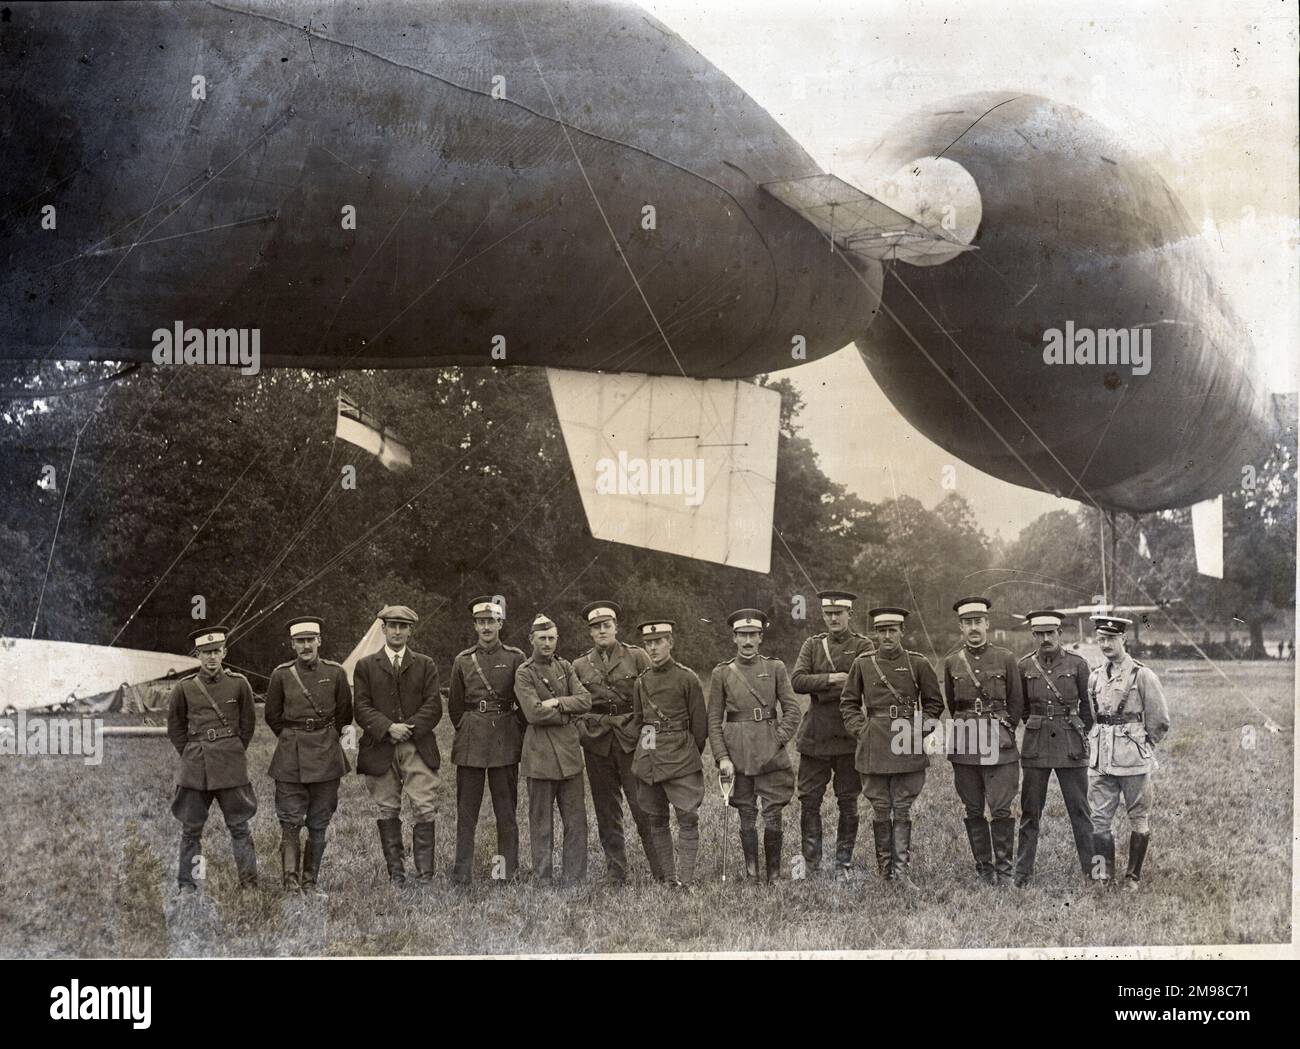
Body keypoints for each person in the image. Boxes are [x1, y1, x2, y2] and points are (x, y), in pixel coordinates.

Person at [839, 608, 943, 886]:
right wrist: (861, 730)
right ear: (876, 632)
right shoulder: (862, 663)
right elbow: (848, 703)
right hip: (874, 742)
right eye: (881, 630)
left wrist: (922, 729)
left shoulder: (917, 663)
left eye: (892, 630)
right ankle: (886, 874)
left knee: (903, 806)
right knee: (881, 807)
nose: (886, 636)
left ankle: (902, 873)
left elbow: (934, 703)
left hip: (906, 740)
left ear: (902, 632)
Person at [707, 609, 802, 883]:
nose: (747, 641)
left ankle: (773, 875)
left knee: (773, 812)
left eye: (753, 635)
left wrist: (778, 739)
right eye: (742, 635)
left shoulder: (775, 668)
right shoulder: (721, 672)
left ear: (761, 637)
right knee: (746, 812)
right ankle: (752, 875)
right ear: (734, 638)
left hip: (770, 753)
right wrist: (722, 757)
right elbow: (714, 719)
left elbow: (793, 710)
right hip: (737, 754)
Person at [352, 605, 443, 885]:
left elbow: (434, 706)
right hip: (380, 747)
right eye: (392, 625)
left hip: (417, 746)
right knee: (387, 808)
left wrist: (408, 728)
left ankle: (425, 875)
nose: (397, 631)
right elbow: (361, 707)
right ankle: (397, 874)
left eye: (403, 626)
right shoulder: (366, 665)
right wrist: (388, 727)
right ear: (383, 629)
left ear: (410, 630)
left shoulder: (425, 664)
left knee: (424, 806)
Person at [264, 616, 353, 896]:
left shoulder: (336, 673)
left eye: (309, 640)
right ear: (292, 644)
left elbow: (344, 715)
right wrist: (295, 737)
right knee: (290, 822)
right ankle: (291, 886)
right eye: (299, 641)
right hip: (290, 757)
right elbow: (272, 716)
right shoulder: (281, 675)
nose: (305, 646)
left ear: (319, 641)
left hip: (327, 756)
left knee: (319, 822)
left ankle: (310, 883)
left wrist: (323, 737)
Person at [166, 625, 258, 893]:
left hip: (230, 764)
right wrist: (191, 753)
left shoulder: (239, 684)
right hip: (196, 766)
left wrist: (233, 748)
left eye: (216, 651)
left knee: (239, 826)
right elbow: (176, 728)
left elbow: (248, 723)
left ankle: (249, 883)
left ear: (224, 652)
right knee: (191, 828)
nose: (211, 658)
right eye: (205, 652)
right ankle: (187, 884)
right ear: (197, 655)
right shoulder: (184, 688)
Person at [572, 600, 659, 885]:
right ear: (590, 632)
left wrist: (647, 736)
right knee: (606, 809)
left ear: (615, 627)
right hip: (597, 742)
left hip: (631, 740)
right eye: (595, 628)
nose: (601, 631)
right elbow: (576, 704)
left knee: (643, 805)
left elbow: (653, 698)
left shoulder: (637, 656)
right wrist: (583, 730)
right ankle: (616, 871)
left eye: (606, 626)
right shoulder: (580, 664)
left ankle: (660, 868)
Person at [791, 589, 875, 876]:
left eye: (839, 613)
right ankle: (811, 864)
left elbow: (865, 682)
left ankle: (843, 864)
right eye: (828, 614)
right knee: (809, 800)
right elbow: (798, 681)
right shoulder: (812, 645)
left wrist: (831, 684)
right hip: (816, 734)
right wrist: (832, 678)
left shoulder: (864, 645)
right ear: (823, 615)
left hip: (849, 733)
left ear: (849, 614)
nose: (834, 618)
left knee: (848, 800)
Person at [1086, 614, 1171, 889]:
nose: (1106, 644)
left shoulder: (1141, 674)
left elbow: (1159, 719)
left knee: (1138, 816)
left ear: (1123, 639)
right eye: (1101, 639)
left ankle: (1132, 877)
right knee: (1098, 818)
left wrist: (1142, 744)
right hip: (1102, 759)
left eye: (1111, 638)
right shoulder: (1095, 677)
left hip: (1133, 760)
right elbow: (1095, 715)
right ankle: (1102, 874)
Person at [447, 596, 527, 885]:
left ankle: (504, 873)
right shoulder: (462, 660)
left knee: (505, 813)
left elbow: (524, 703)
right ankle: (462, 874)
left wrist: (512, 728)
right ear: (475, 626)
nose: (486, 627)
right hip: (470, 742)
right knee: (466, 814)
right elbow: (455, 706)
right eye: (481, 622)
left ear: (501, 623)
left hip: (504, 741)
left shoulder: (515, 657)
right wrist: (469, 725)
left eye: (491, 621)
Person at [1013, 610, 1093, 887]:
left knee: (1081, 811)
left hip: (1071, 745)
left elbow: (1088, 709)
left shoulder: (1078, 665)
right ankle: (1022, 875)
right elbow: (1021, 708)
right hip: (1036, 746)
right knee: (1030, 812)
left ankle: (1093, 873)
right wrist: (1036, 724)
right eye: (1040, 634)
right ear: (1033, 635)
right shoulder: (1023, 667)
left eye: (1051, 633)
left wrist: (1075, 730)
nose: (1046, 639)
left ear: (1060, 634)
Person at [515, 614, 591, 886]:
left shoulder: (566, 667)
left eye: (551, 638)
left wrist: (556, 702)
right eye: (542, 638)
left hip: (569, 756)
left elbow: (585, 699)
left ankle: (574, 878)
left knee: (576, 822)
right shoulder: (524, 672)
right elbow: (533, 713)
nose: (547, 643)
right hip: (540, 757)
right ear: (531, 640)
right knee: (541, 823)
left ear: (557, 640)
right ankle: (543, 878)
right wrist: (566, 714)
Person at [631, 620, 708, 887]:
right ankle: (668, 879)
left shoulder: (687, 678)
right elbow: (641, 720)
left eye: (658, 642)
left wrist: (688, 753)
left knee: (687, 817)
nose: (652, 648)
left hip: (681, 754)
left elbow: (700, 727)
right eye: (648, 643)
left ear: (670, 643)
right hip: (650, 754)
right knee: (656, 818)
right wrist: (647, 756)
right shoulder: (641, 682)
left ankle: (685, 881)